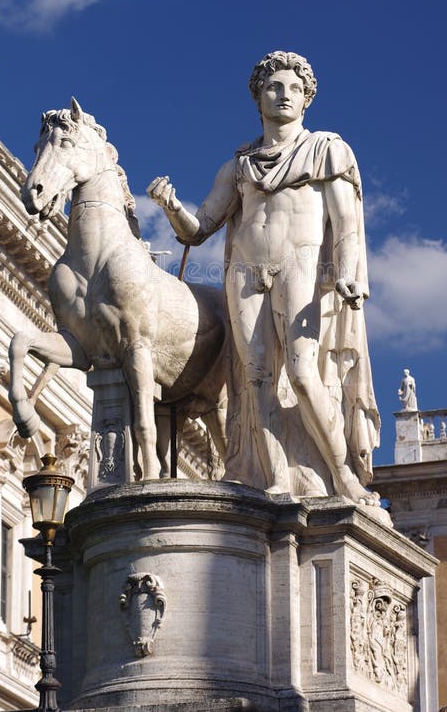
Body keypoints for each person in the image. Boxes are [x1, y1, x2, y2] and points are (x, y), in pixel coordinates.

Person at [147, 50, 379, 502]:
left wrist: (348, 274)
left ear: (307, 98)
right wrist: (170, 205)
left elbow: (346, 223)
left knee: (302, 372)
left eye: (294, 88)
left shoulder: (326, 149)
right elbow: (199, 229)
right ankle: (275, 477)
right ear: (259, 98)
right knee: (255, 385)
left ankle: (341, 474)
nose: (284, 95)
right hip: (244, 273)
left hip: (303, 266)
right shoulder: (240, 165)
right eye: (274, 87)